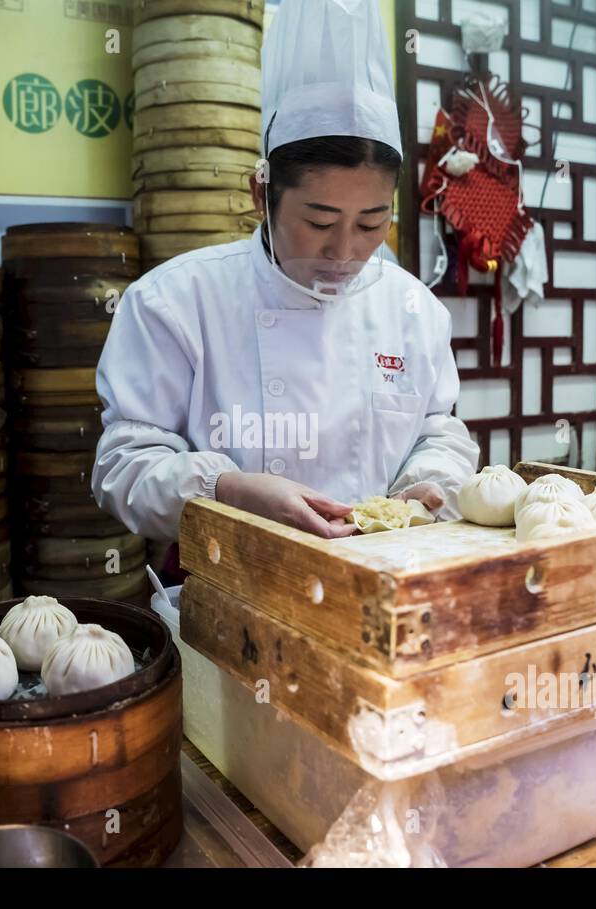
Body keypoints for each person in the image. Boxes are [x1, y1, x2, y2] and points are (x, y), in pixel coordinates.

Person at [93, 0, 479, 546]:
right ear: (261, 193)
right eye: (319, 220)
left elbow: (440, 431)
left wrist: (427, 485)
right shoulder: (175, 301)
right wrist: (225, 489)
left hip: (384, 579)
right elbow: (121, 467)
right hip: (237, 587)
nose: (345, 251)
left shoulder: (413, 309)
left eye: (372, 223)